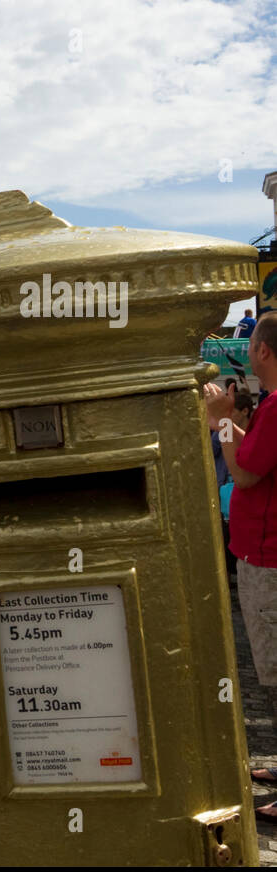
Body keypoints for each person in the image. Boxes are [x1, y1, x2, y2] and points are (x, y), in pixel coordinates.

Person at [205, 319, 277, 821]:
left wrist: (221, 421)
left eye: (250, 346)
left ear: (264, 351)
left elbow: (246, 472)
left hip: (268, 557)